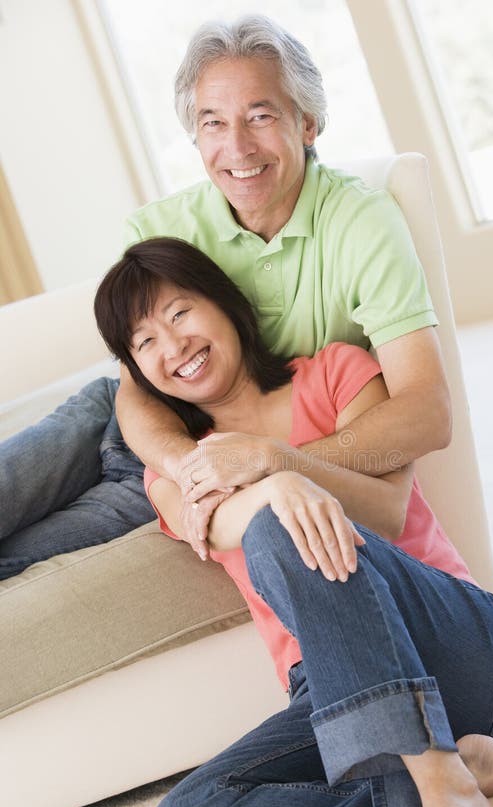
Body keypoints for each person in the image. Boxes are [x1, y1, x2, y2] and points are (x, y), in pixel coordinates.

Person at [94, 236, 493, 807]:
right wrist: (272, 488)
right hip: (339, 696)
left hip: (464, 650)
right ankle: (448, 775)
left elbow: (388, 511)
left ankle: (445, 790)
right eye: (145, 342)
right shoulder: (180, 468)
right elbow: (224, 523)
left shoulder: (336, 372)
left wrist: (281, 463)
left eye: (181, 313)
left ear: (224, 303)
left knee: (281, 529)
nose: (173, 346)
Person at [0, 14, 451, 581]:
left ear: (308, 123)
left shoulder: (363, 222)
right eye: (213, 123)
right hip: (161, 438)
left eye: (259, 116)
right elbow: (136, 392)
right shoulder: (160, 229)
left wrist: (265, 462)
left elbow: (427, 415)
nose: (236, 147)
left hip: (222, 452)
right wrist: (196, 468)